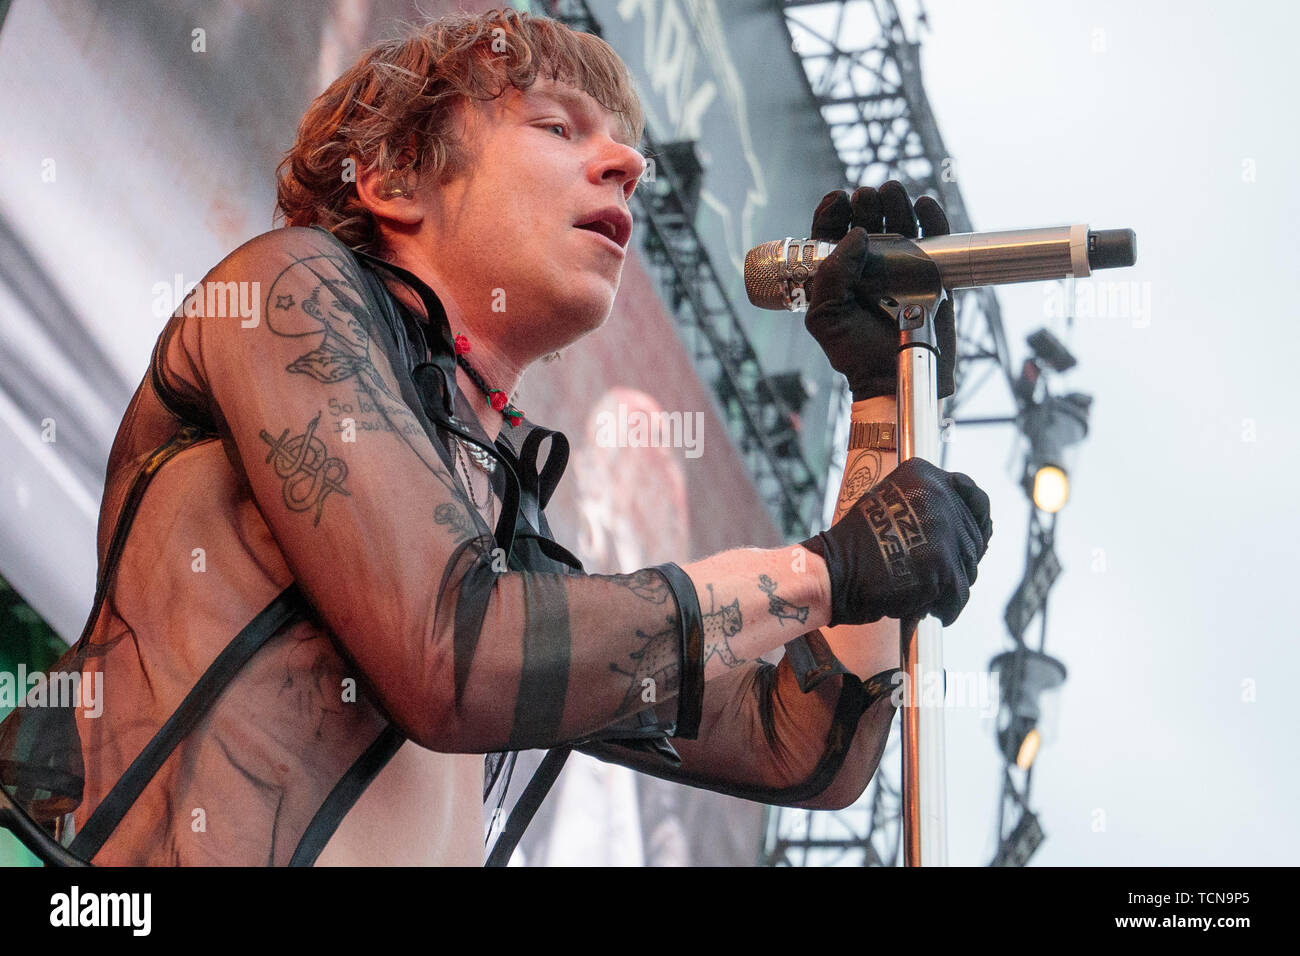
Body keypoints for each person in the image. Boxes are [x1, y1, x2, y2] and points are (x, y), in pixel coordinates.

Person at [0, 8, 991, 866]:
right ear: (392, 178)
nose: (628, 163)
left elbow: (802, 742)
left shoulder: (503, 534)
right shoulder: (284, 288)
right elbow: (454, 654)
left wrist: (883, 399)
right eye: (558, 126)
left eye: (623, 149)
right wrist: (819, 572)